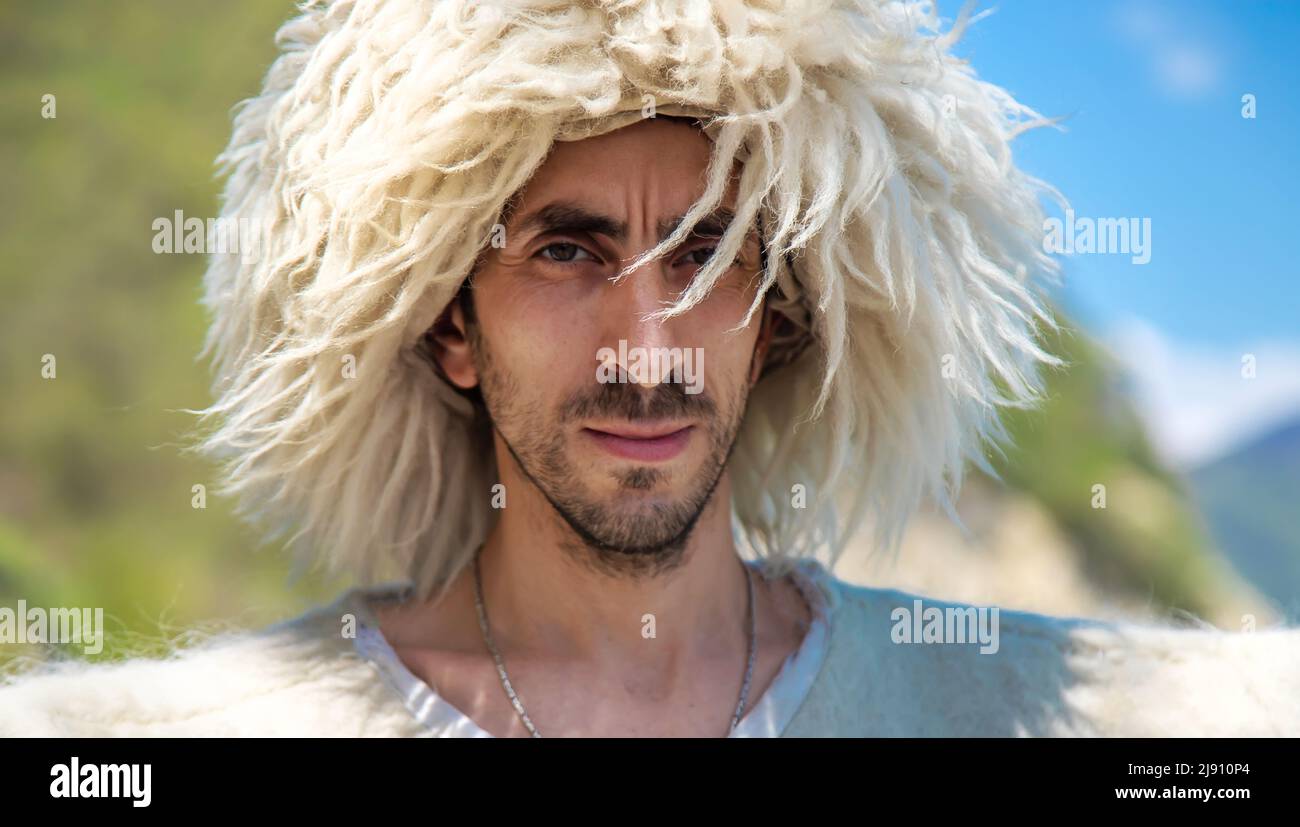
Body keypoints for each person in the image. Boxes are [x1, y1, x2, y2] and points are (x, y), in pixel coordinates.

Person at [2, 0, 1297, 737]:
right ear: (451, 327)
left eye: (709, 254)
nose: (648, 346)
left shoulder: (1090, 722)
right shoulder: (145, 747)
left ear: (779, 319)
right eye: (570, 252)